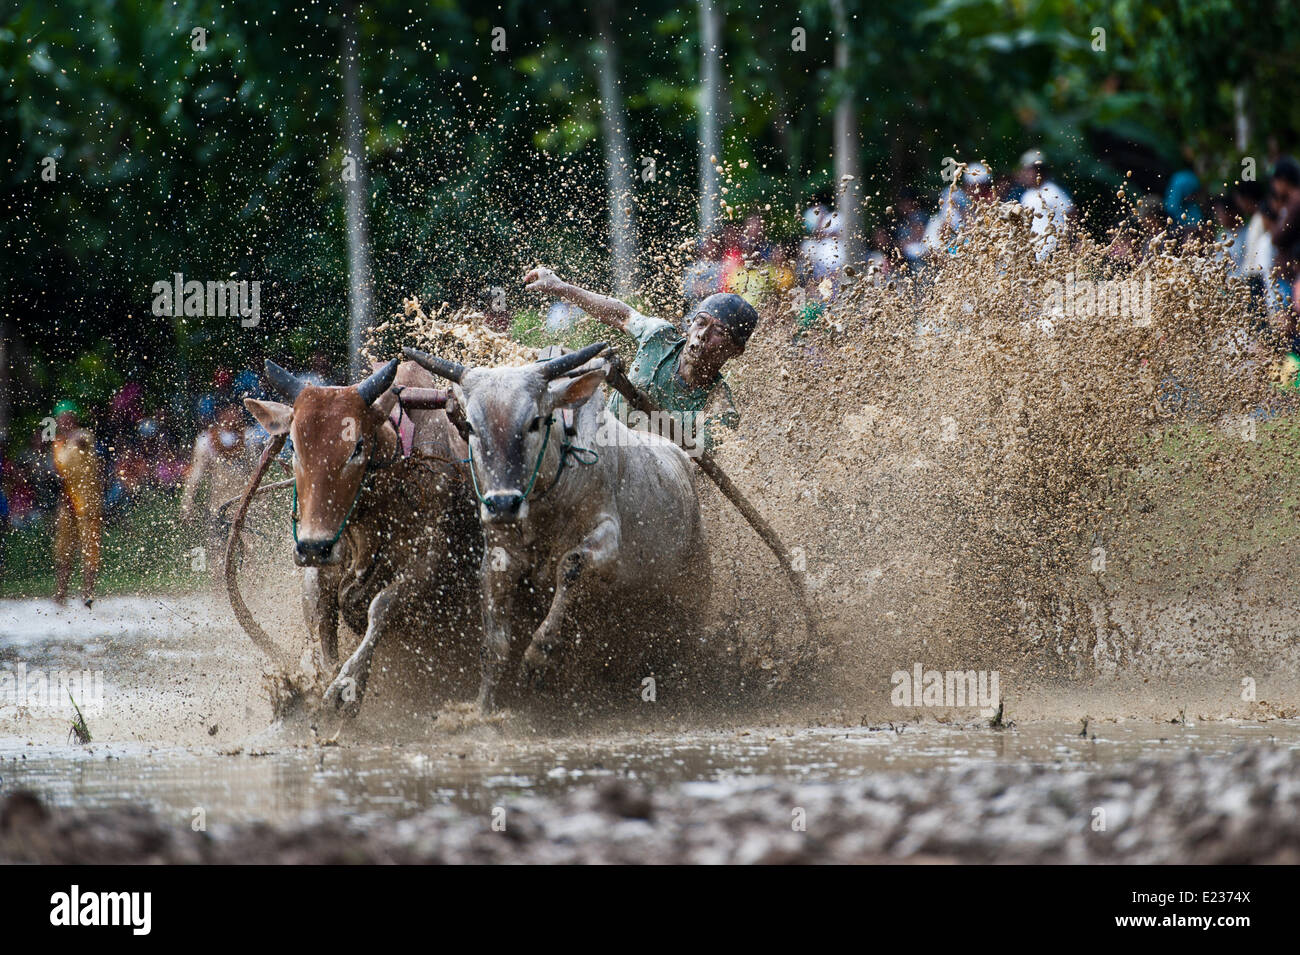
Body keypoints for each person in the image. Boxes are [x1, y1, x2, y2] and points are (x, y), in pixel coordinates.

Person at [523, 266, 756, 453]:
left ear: (735, 351)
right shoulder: (658, 337)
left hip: (647, 486)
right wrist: (560, 287)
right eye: (701, 322)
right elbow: (620, 314)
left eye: (719, 333)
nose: (703, 335)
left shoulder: (719, 409)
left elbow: (692, 465)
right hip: (593, 446)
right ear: (690, 324)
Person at [49, 400, 103, 607]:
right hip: (68, 502)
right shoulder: (58, 443)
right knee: (63, 549)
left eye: (68, 416)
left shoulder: (82, 437)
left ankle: (87, 594)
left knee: (90, 549)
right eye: (62, 417)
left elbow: (84, 443)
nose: (65, 420)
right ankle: (61, 593)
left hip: (88, 502)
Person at [1016, 149, 1074, 258]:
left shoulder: (1052, 191)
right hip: (1036, 251)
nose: (1026, 174)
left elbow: (1071, 215)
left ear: (1040, 171)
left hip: (1055, 250)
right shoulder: (1027, 195)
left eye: (1029, 171)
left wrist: (1069, 241)